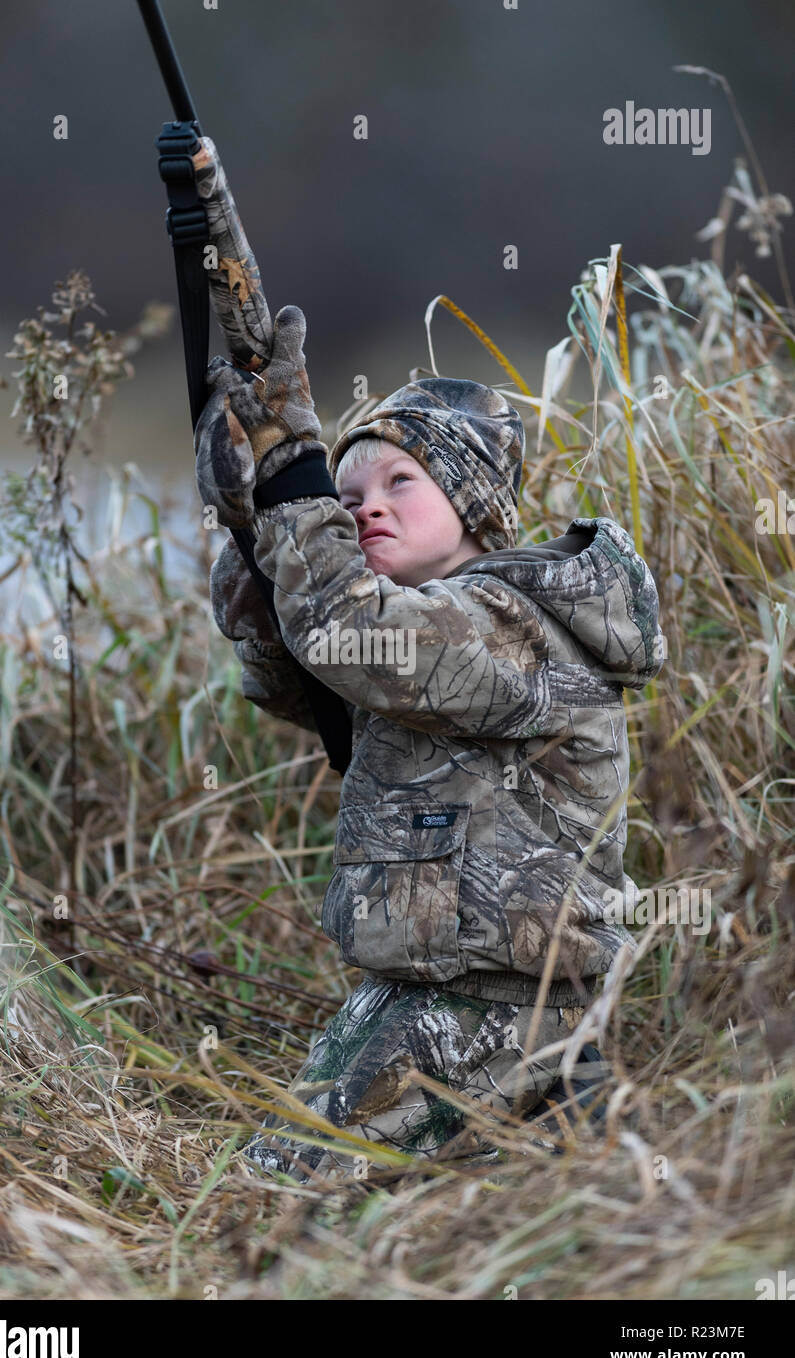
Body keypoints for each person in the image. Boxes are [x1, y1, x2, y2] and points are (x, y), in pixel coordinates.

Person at [194, 303, 665, 1182]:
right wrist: (251, 523)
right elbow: (297, 676)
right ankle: (558, 1125)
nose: (365, 510)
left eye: (399, 485)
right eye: (346, 499)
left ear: (474, 501)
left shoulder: (507, 626)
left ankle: (552, 1093)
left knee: (284, 1192)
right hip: (418, 988)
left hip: (498, 998)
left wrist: (296, 474)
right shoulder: (416, 628)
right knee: (280, 1164)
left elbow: (342, 634)